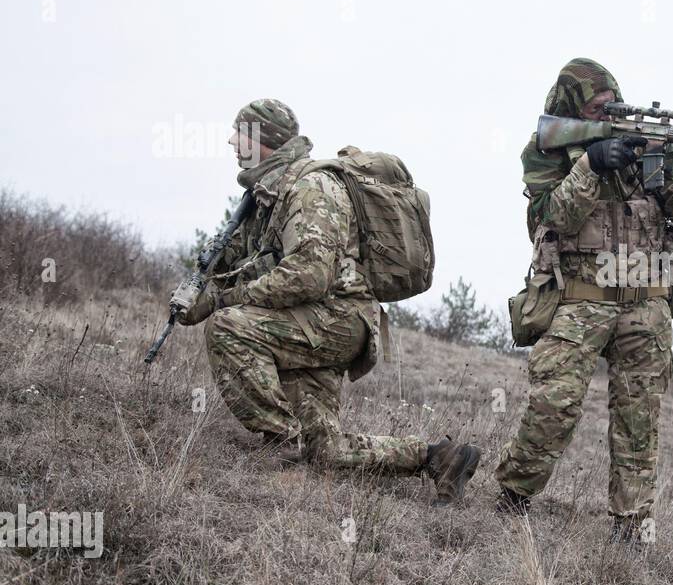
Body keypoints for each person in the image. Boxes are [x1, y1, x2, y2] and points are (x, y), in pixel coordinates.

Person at [169, 98, 481, 502]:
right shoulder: (267, 194)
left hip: (335, 320)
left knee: (229, 327)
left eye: (239, 133)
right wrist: (200, 295)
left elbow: (309, 275)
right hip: (312, 321)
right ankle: (439, 457)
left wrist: (224, 302)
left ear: (261, 139)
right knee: (325, 448)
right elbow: (245, 263)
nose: (231, 141)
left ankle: (278, 443)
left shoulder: (309, 188)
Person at [494, 59, 673, 543]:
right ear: (574, 108)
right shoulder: (548, 148)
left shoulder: (654, 148)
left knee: (639, 418)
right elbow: (549, 217)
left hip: (646, 301)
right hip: (580, 296)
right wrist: (592, 163)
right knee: (554, 403)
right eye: (598, 107)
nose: (610, 113)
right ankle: (514, 495)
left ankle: (632, 525)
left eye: (613, 105)